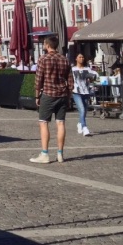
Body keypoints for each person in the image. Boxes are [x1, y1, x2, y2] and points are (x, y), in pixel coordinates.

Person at [31, 36, 73, 164]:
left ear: (47, 45)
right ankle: (60, 154)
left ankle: (45, 154)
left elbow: (39, 81)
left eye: (44, 43)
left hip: (48, 94)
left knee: (43, 123)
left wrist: (37, 96)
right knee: (61, 123)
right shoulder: (64, 59)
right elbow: (70, 81)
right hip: (62, 95)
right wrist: (69, 96)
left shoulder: (43, 59)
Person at [71, 54, 99, 137]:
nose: (81, 58)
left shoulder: (87, 69)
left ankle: (80, 123)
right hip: (76, 91)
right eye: (79, 57)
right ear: (76, 58)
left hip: (86, 91)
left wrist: (91, 78)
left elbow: (96, 75)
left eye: (83, 57)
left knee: (85, 110)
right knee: (82, 109)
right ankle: (84, 127)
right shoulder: (73, 69)